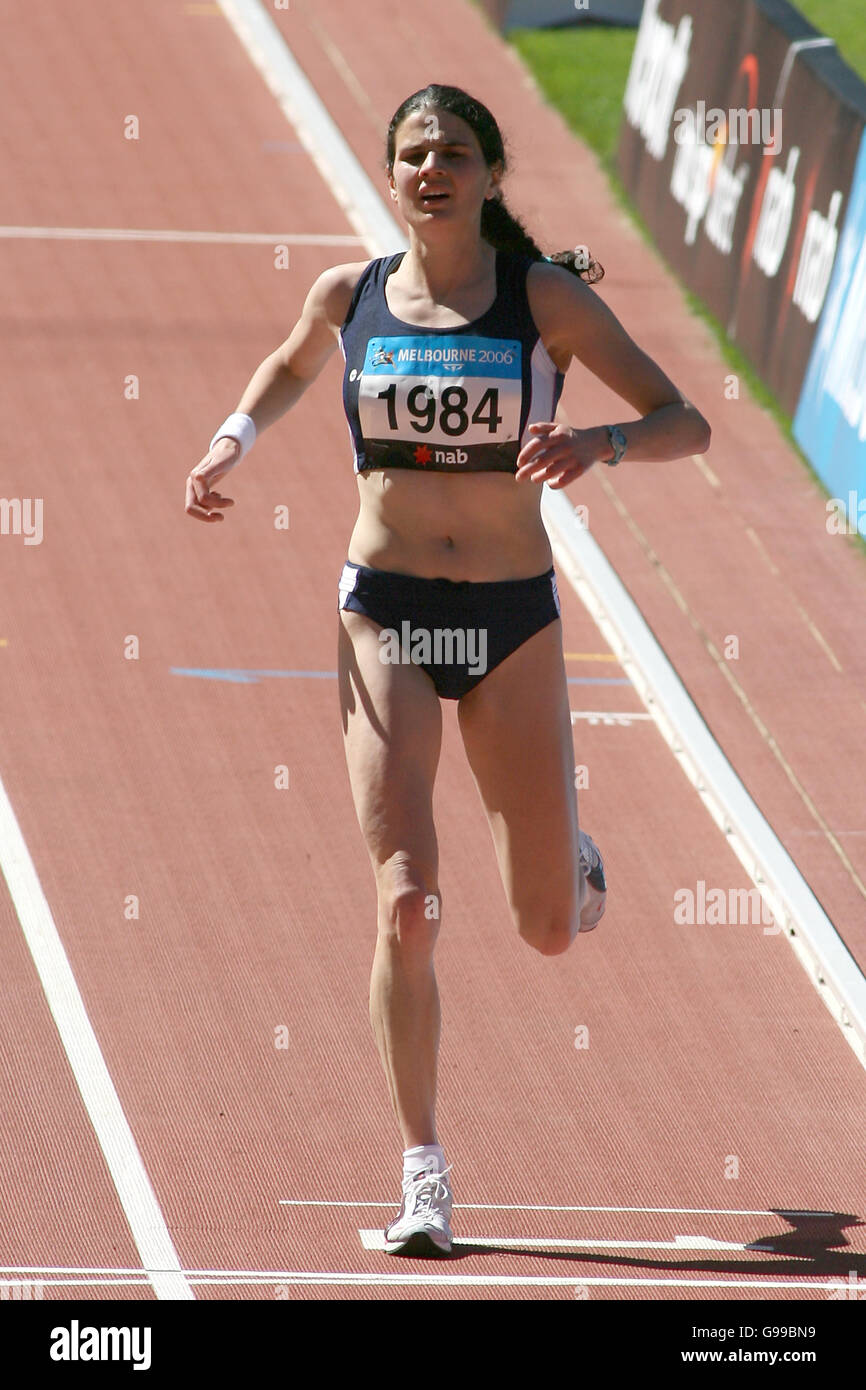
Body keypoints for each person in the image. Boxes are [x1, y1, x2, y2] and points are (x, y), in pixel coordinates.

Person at [185, 84, 711, 1258]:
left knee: (544, 930)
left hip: (511, 623)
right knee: (408, 902)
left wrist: (599, 441)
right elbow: (284, 365)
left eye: (454, 152)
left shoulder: (543, 300)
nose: (432, 166)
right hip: (387, 614)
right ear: (390, 179)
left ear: (486, 177)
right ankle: (424, 1172)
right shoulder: (351, 294)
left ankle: (568, 856)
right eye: (413, 152)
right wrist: (231, 442)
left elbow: (687, 421)